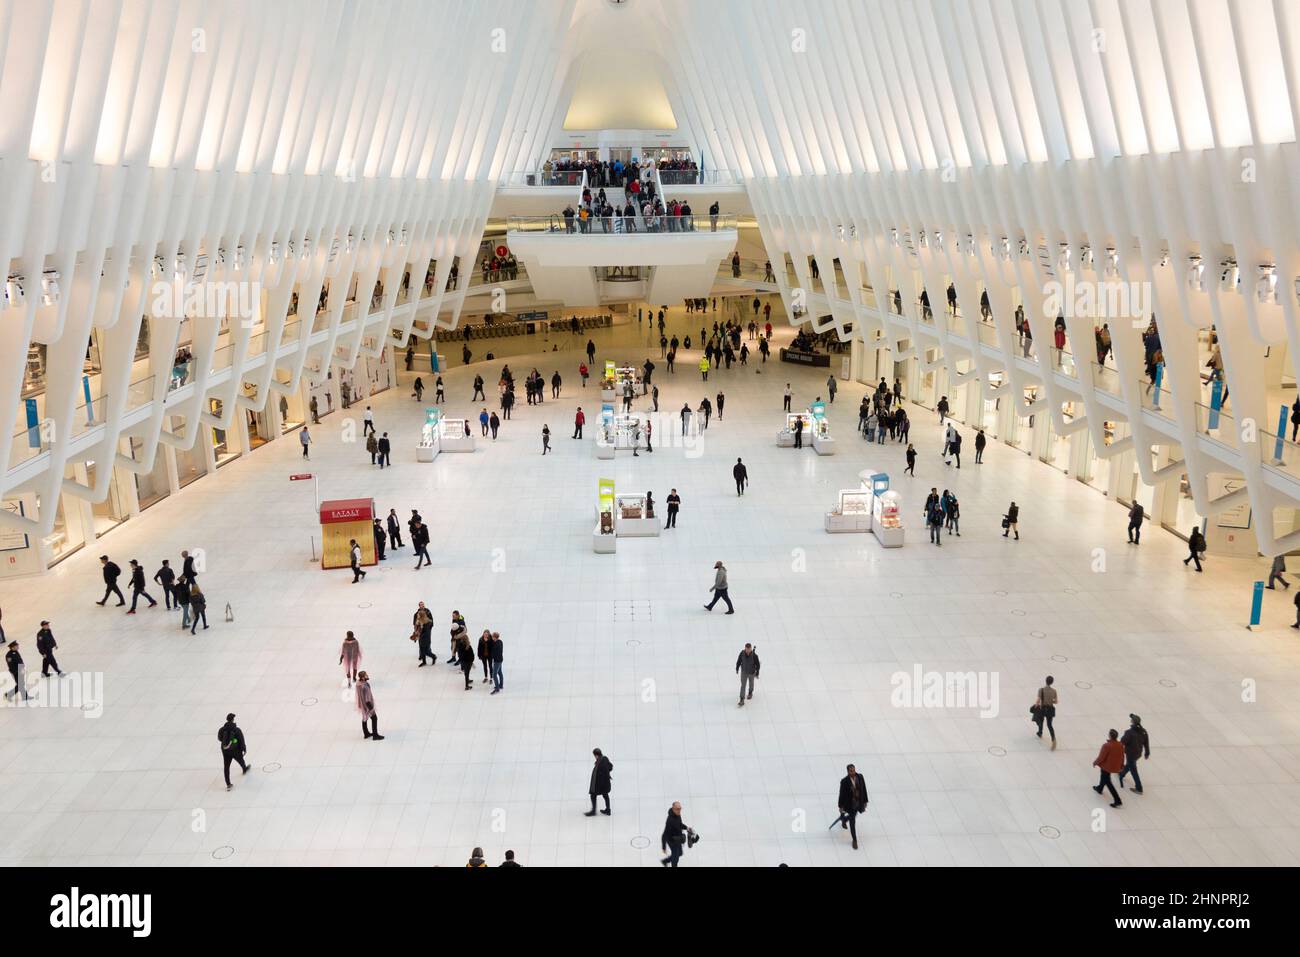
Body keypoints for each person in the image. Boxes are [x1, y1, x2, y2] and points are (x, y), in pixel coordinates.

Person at [835, 764, 869, 849]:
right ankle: (854, 840)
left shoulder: (860, 777)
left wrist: (865, 801)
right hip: (850, 805)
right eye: (851, 771)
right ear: (848, 771)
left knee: (853, 816)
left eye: (853, 770)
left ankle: (844, 820)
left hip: (859, 803)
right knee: (852, 822)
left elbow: (864, 789)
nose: (853, 772)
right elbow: (841, 794)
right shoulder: (844, 781)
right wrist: (840, 806)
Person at [1118, 714, 1151, 795]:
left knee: (1133, 770)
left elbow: (1122, 741)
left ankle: (1139, 788)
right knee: (1130, 765)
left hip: (1130, 754)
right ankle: (1122, 774)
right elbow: (1146, 743)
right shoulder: (1144, 731)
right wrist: (1147, 753)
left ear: (1132, 722)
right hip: (1138, 753)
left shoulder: (1129, 733)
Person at [1092, 729, 1125, 808]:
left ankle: (1117, 800)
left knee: (1108, 782)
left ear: (1110, 736)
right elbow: (1122, 756)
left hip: (1107, 766)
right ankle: (1100, 788)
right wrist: (1121, 765)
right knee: (1104, 777)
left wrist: (1095, 762)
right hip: (1115, 766)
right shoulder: (1120, 745)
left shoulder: (1107, 745)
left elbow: (1101, 757)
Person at [218, 713, 249, 790]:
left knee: (226, 767)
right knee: (241, 760)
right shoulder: (236, 730)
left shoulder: (222, 729)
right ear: (233, 720)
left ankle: (228, 784)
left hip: (225, 750)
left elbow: (219, 738)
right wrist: (244, 749)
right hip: (235, 750)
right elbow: (241, 740)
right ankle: (244, 769)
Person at [356, 671, 384, 739]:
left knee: (364, 719)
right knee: (374, 718)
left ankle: (366, 733)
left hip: (362, 705)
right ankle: (375, 735)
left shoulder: (358, 684)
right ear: (362, 678)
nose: (367, 676)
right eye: (366, 675)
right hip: (368, 706)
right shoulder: (365, 686)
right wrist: (371, 709)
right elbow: (367, 700)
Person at [586, 748, 613, 816]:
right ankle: (608, 810)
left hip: (601, 784)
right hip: (605, 783)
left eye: (594, 755)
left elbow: (603, 772)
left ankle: (593, 811)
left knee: (593, 795)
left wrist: (604, 776)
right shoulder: (604, 758)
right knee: (605, 795)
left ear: (596, 755)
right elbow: (610, 766)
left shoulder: (600, 761)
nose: (594, 757)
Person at [1033, 675, 1058, 749]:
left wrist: (1036, 706)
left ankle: (1040, 732)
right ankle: (1053, 739)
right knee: (1049, 725)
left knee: (1040, 720)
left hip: (1043, 708)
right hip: (1050, 709)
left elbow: (1038, 700)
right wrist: (1051, 700)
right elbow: (1056, 701)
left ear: (1046, 681)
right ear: (1052, 682)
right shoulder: (1054, 691)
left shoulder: (1041, 690)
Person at [661, 801, 688, 867]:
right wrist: (664, 847)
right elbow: (664, 834)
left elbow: (680, 824)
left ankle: (665, 861)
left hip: (678, 838)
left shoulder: (678, 815)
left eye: (680, 809)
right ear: (673, 808)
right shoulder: (670, 820)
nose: (679, 811)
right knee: (675, 859)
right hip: (672, 841)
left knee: (680, 853)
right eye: (677, 809)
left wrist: (687, 828)